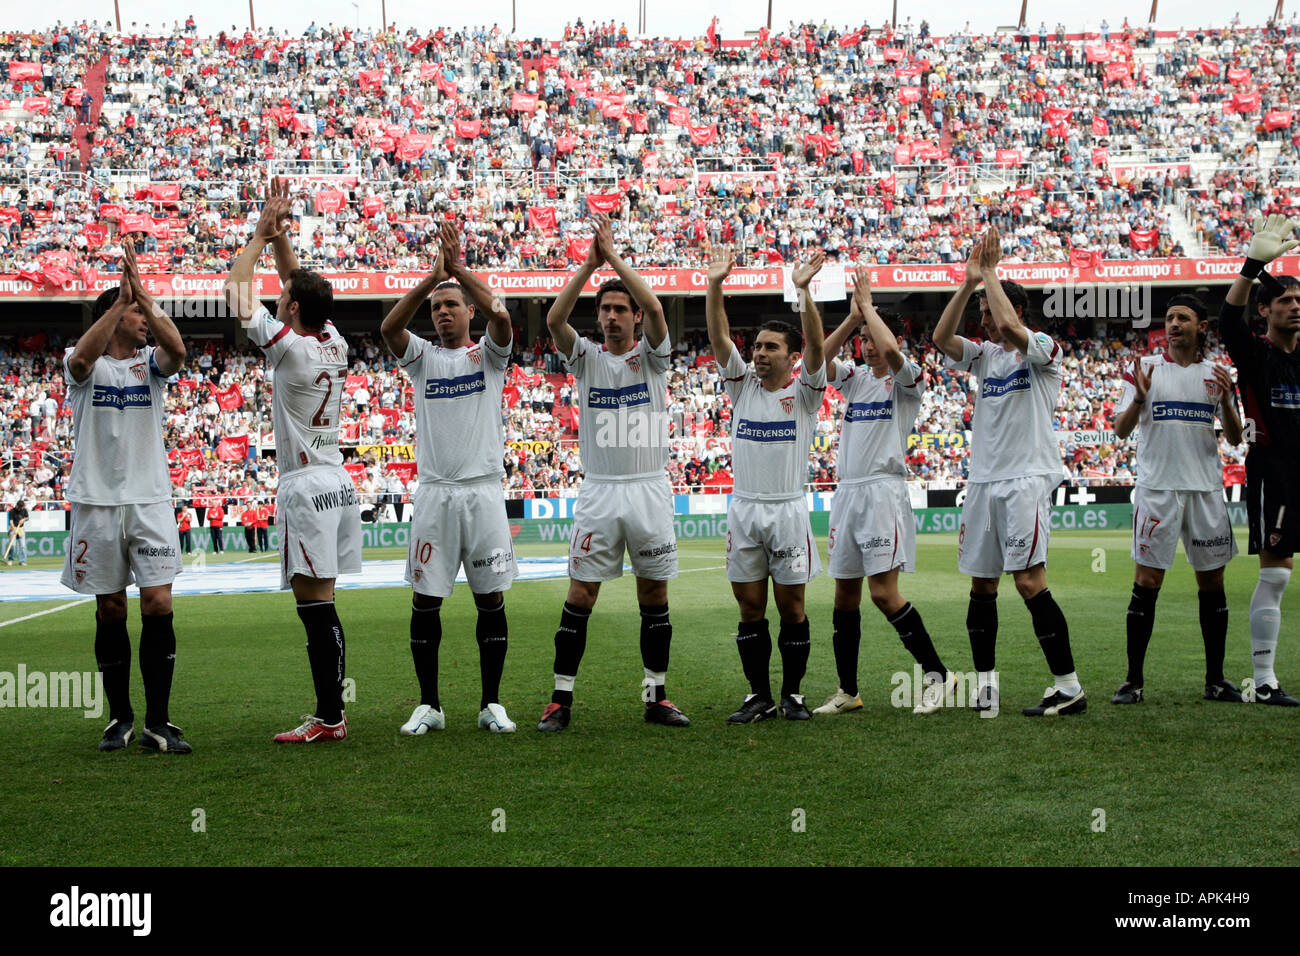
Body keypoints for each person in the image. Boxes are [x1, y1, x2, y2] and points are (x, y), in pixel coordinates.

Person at [537, 212, 689, 731]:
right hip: (600, 492)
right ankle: (560, 701)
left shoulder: (653, 358)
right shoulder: (586, 359)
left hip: (648, 490)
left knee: (655, 595)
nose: (612, 317)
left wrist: (615, 260)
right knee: (580, 594)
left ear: (635, 318)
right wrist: (587, 265)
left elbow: (655, 304)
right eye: (605, 310)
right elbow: (556, 321)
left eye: (620, 309)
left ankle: (655, 697)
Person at [224, 177, 360, 742]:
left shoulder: (290, 346)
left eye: (284, 302)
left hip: (305, 483)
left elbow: (235, 294)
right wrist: (283, 236)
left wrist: (258, 235)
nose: (277, 301)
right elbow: (297, 285)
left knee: (314, 608)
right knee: (324, 602)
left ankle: (330, 718)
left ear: (294, 310)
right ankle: (334, 712)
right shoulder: (334, 341)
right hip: (338, 481)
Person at [931, 228, 1086, 717]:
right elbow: (940, 338)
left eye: (988, 312)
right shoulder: (985, 358)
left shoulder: (1043, 350)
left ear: (1016, 310)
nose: (983, 322)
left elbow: (1009, 326)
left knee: (1028, 581)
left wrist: (991, 273)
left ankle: (1068, 687)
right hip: (982, 482)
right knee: (983, 585)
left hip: (1025, 479)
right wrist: (968, 282)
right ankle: (987, 685)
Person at [381, 221, 518, 735]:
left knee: (490, 598)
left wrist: (457, 270)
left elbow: (502, 316)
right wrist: (429, 280)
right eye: (436, 308)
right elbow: (390, 331)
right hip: (436, 494)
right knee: (426, 600)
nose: (441, 313)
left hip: (482, 491)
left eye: (450, 305)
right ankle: (430, 705)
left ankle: (491, 704)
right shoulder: (423, 358)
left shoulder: (487, 355)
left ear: (467, 312)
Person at [61, 243, 190, 753]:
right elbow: (79, 359)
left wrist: (145, 295)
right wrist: (120, 302)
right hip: (95, 501)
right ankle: (120, 717)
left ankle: (159, 720)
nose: (145, 321)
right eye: (138, 312)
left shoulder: (150, 367)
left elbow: (177, 352)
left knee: (158, 602)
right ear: (113, 316)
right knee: (111, 608)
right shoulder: (85, 366)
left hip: (149, 500)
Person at [813, 266, 953, 716]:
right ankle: (848, 691)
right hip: (849, 494)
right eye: (864, 341)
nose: (869, 347)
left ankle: (939, 677)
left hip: (881, 494)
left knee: (883, 594)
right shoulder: (854, 380)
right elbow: (814, 360)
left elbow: (892, 348)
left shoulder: (905, 382)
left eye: (873, 338)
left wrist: (869, 307)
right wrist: (852, 320)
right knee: (844, 595)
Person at [705, 245, 826, 723]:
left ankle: (793, 694)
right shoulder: (742, 387)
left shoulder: (804, 394)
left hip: (788, 510)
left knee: (792, 607)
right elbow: (718, 339)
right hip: (745, 510)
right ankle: (759, 696)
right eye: (756, 346)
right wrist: (715, 284)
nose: (758, 353)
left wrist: (803, 292)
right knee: (750, 606)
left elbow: (818, 347)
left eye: (770, 347)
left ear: (790, 358)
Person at [1111, 296, 1244, 704]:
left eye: (1183, 318)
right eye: (1169, 318)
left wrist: (1224, 401)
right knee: (1147, 581)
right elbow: (1119, 430)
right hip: (1158, 489)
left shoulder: (1216, 374)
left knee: (1213, 581)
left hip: (1204, 489)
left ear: (1201, 326)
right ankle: (1133, 681)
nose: (1173, 324)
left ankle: (1216, 680)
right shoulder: (1144, 370)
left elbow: (1237, 437)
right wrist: (1139, 398)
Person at [1218, 214, 1300, 706]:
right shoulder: (1254, 355)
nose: (1295, 308)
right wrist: (1252, 266)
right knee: (1276, 571)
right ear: (1266, 310)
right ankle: (1264, 681)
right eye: (1286, 301)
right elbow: (1228, 319)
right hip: (1275, 473)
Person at [4, 498, 28, 566]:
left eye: (21, 507)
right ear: (17, 505)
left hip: (21, 529)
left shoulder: (24, 510)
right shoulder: (12, 511)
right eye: (19, 507)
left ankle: (22, 561)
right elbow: (11, 521)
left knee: (22, 546)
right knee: (12, 545)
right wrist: (14, 529)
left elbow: (27, 518)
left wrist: (23, 520)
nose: (19, 508)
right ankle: (10, 559)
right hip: (13, 528)